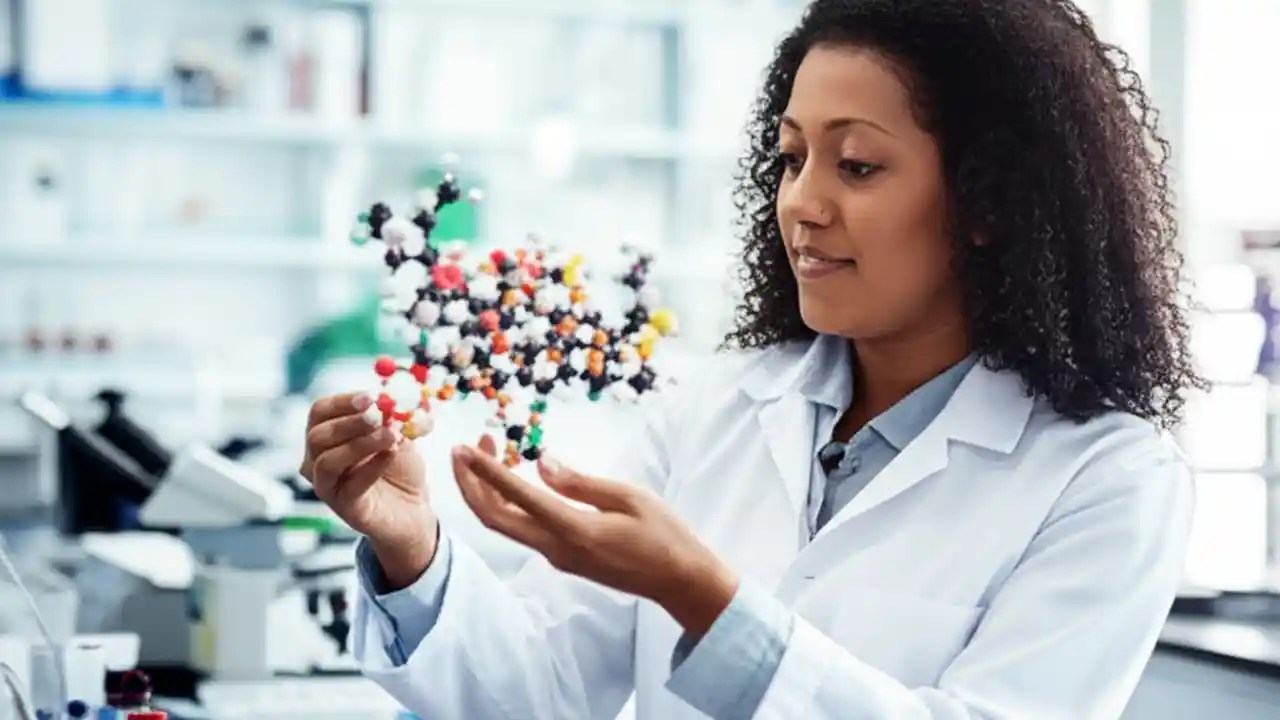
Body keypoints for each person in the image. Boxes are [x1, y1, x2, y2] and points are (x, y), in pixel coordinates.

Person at [299, 1, 1202, 717]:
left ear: (990, 200)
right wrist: (412, 547)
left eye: (856, 166)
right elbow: (541, 694)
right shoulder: (716, 409)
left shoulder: (1107, 478)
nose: (801, 205)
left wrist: (701, 596)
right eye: (792, 157)